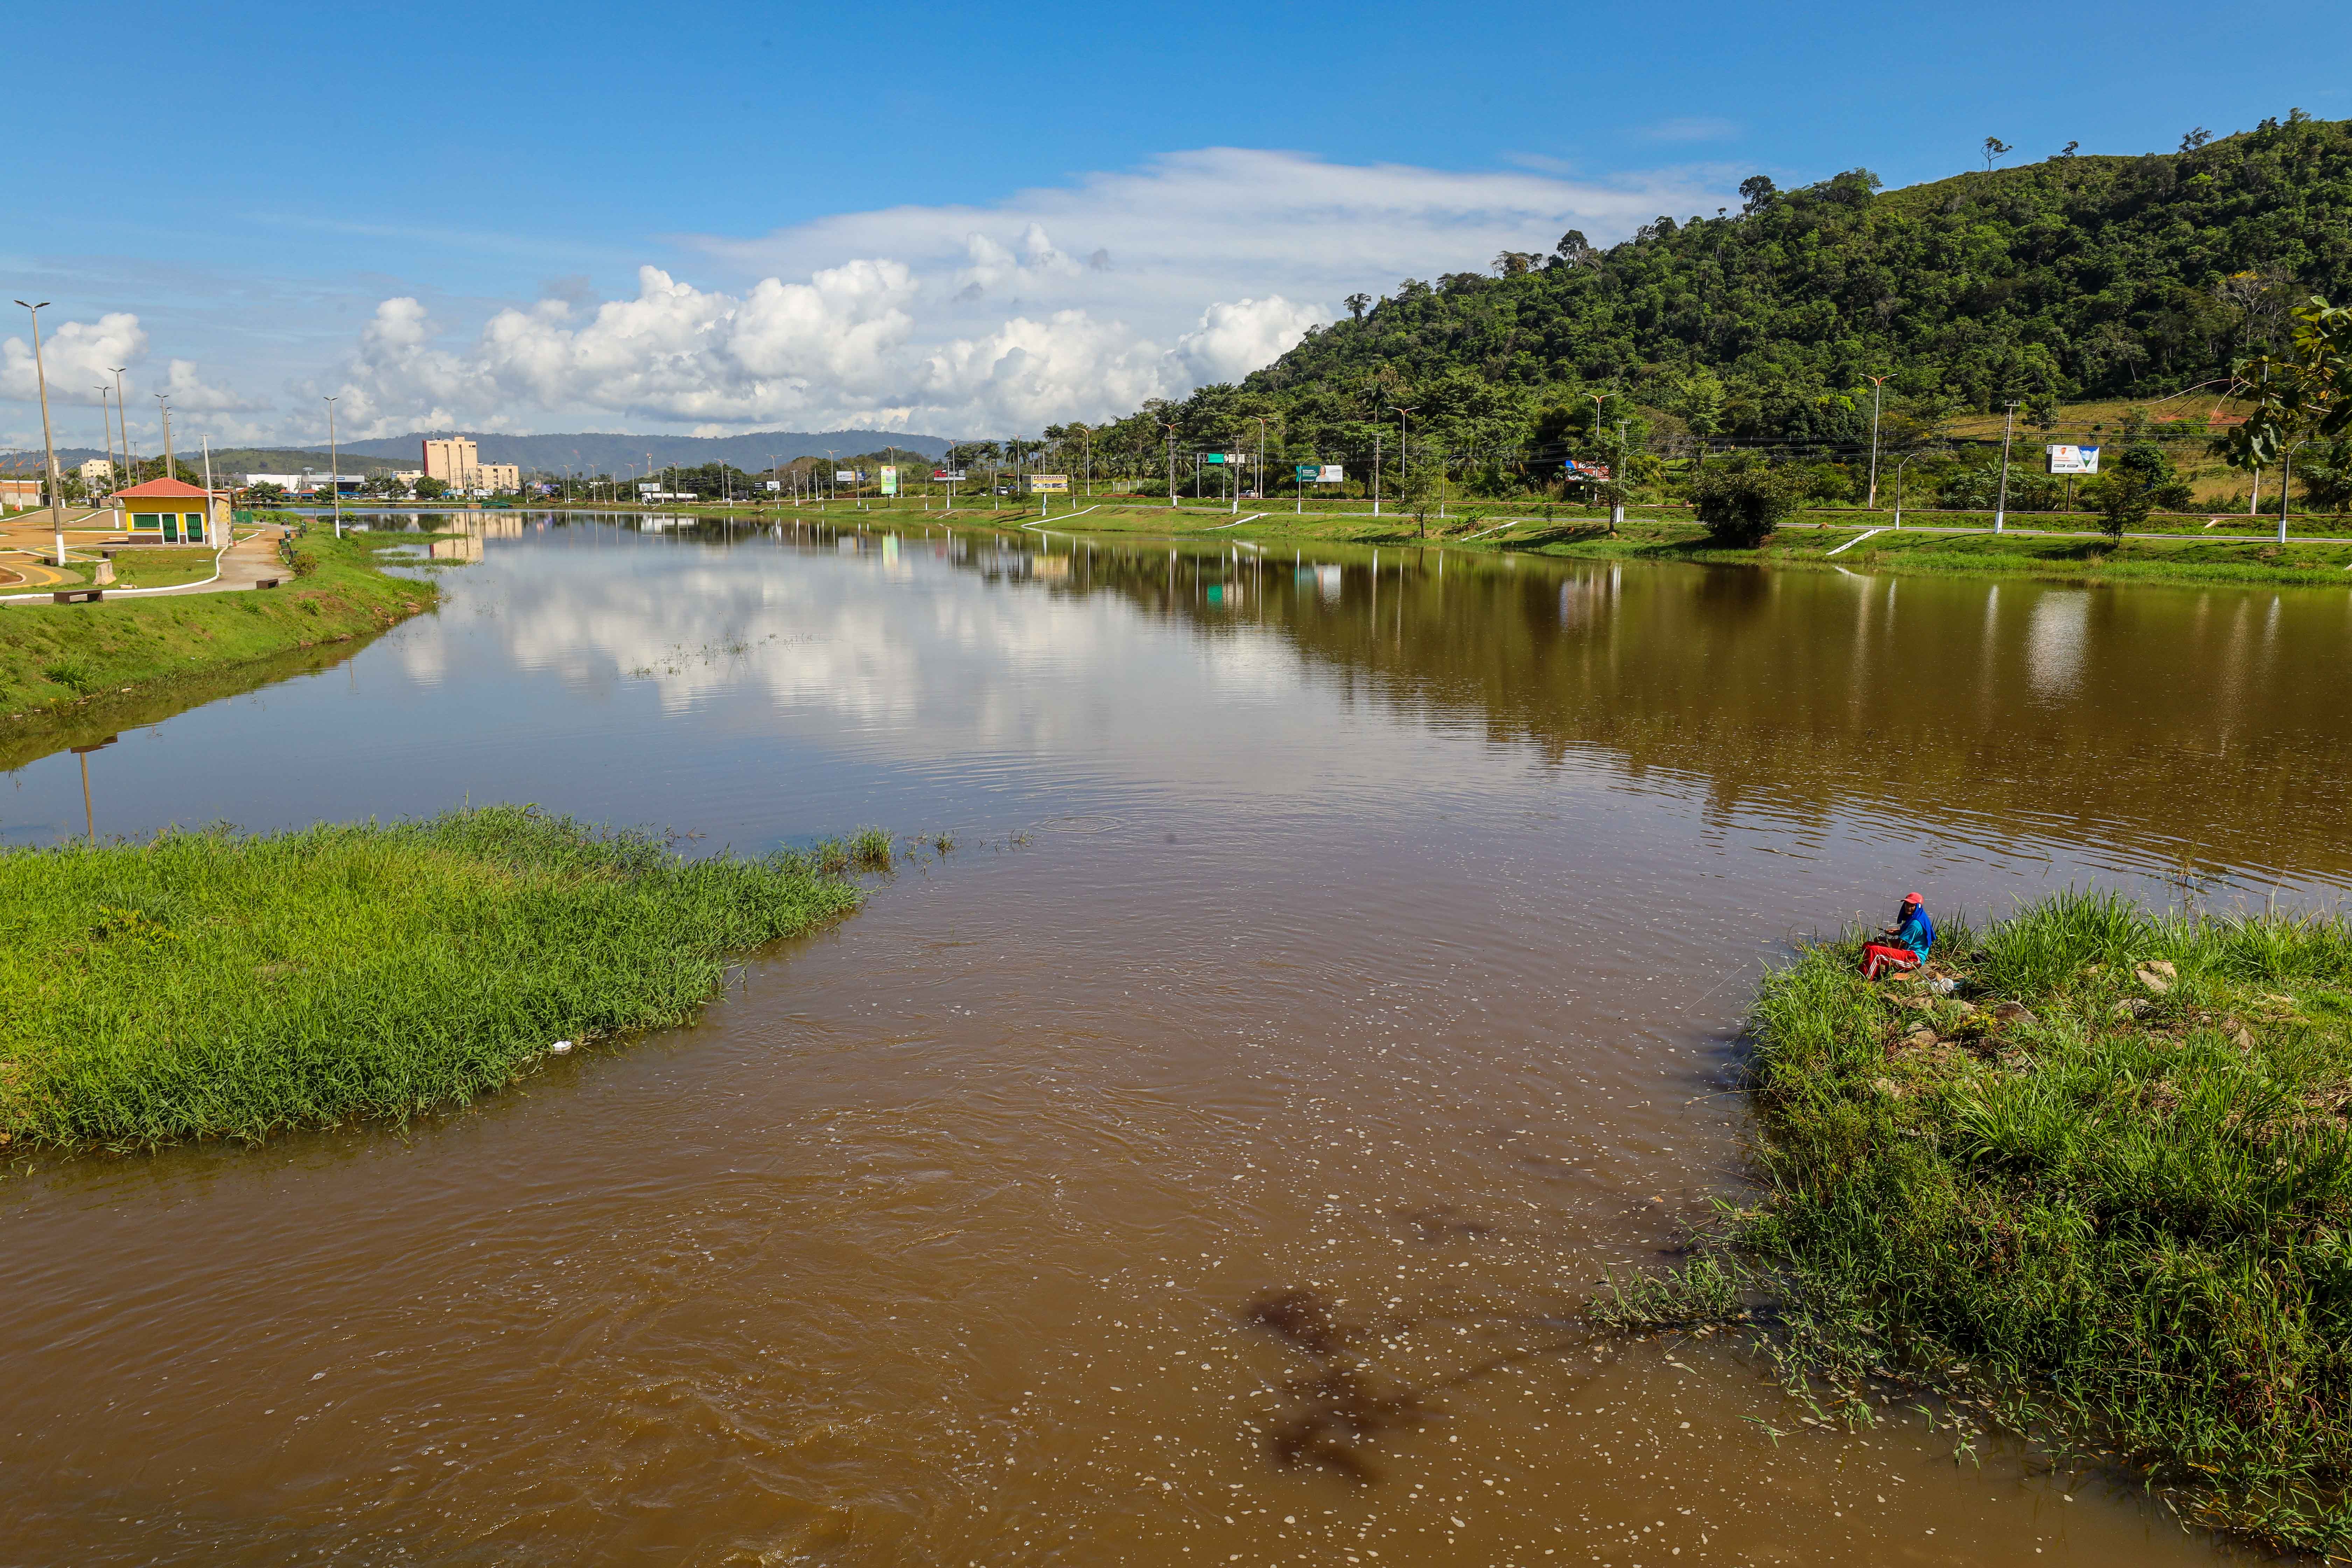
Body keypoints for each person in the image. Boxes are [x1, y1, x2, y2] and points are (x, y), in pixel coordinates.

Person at [1862, 893, 1934, 981]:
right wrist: (1897, 932)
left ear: (1918, 906)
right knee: (1868, 946)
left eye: (1912, 906)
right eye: (1907, 904)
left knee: (1875, 951)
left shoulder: (1916, 924)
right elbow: (1910, 935)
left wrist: (1883, 939)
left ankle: (1866, 979)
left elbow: (1899, 944)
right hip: (1906, 951)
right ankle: (1875, 973)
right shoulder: (1916, 916)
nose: (1909, 907)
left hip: (1914, 958)